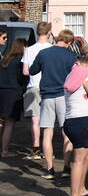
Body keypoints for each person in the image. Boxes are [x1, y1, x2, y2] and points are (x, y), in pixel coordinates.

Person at [29, 29, 77, 178]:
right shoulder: (71, 55)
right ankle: (67, 168)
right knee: (66, 133)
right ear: (69, 42)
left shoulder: (44, 53)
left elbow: (32, 71)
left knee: (47, 133)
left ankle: (50, 169)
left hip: (47, 96)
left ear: (57, 39)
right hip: (64, 96)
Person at [62, 46, 88, 196]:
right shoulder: (84, 76)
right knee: (79, 160)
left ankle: (81, 189)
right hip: (82, 120)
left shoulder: (72, 73)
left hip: (70, 120)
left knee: (87, 157)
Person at [22, 21, 52, 160]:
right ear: (49, 33)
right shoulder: (52, 48)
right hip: (49, 87)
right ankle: (48, 147)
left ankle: (36, 148)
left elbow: (25, 72)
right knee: (49, 121)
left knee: (35, 120)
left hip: (33, 86)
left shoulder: (29, 49)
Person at [0, 38, 28, 159]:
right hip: (13, 93)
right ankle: (5, 151)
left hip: (1, 91)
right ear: (22, 47)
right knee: (9, 123)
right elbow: (23, 79)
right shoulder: (19, 62)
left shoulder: (4, 60)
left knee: (1, 122)